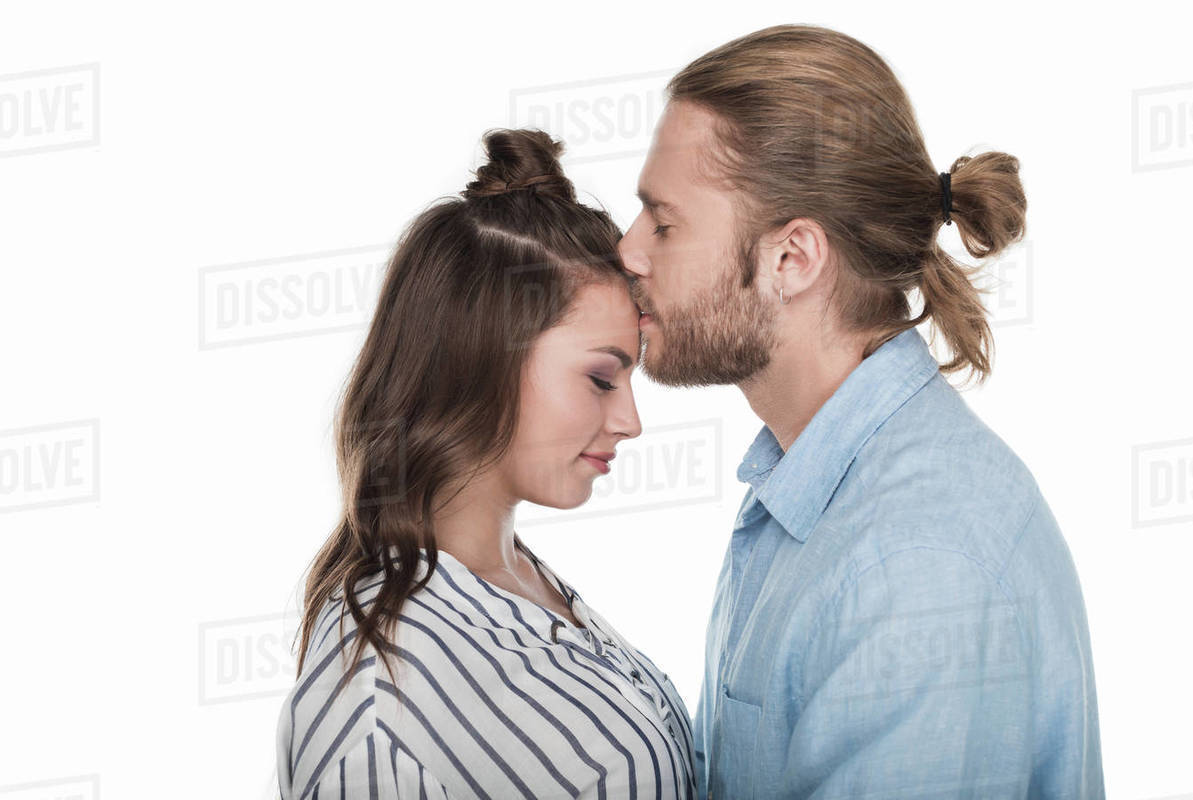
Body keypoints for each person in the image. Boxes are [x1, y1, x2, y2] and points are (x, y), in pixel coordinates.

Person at [617, 23, 1104, 799]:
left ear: (793, 259)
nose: (628, 250)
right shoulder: (812, 481)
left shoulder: (915, 568)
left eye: (664, 223)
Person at [276, 128, 697, 798]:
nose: (630, 422)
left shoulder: (522, 579)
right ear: (485, 360)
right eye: (599, 379)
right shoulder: (376, 701)